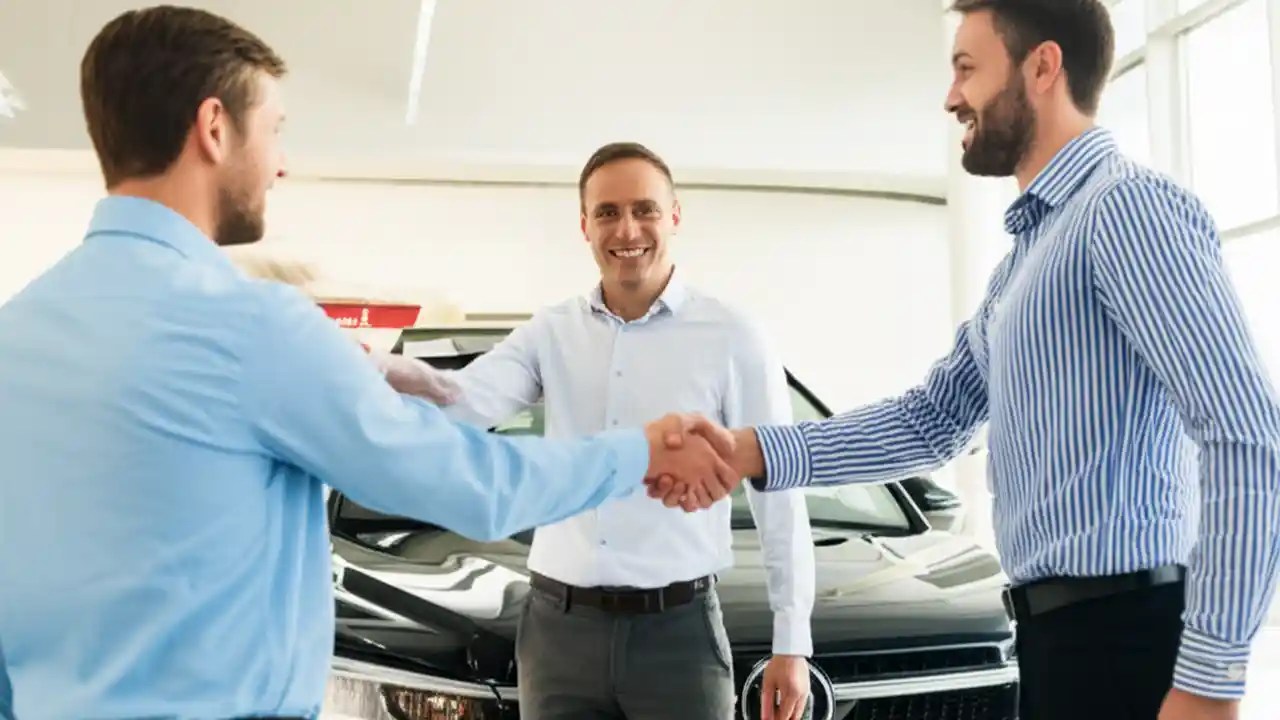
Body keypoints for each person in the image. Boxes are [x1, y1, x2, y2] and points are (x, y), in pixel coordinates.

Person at [0, 8, 737, 720]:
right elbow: (476, 487)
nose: (280, 164)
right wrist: (640, 448)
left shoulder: (18, 335)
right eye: (275, 131)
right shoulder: (254, 326)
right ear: (215, 127)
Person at [653, 1, 1280, 719]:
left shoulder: (1126, 209)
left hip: (1131, 642)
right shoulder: (1024, 262)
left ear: (1042, 66)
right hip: (1056, 642)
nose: (952, 97)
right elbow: (932, 420)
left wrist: (1210, 678)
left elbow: (1248, 432)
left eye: (966, 69)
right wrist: (749, 450)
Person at [433, 142, 816, 720]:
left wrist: (793, 640)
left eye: (646, 210)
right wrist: (365, 379)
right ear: (584, 225)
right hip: (557, 636)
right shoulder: (551, 332)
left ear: (676, 217)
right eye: (607, 212)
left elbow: (779, 490)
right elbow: (462, 403)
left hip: (678, 639)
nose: (627, 228)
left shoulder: (733, 335)